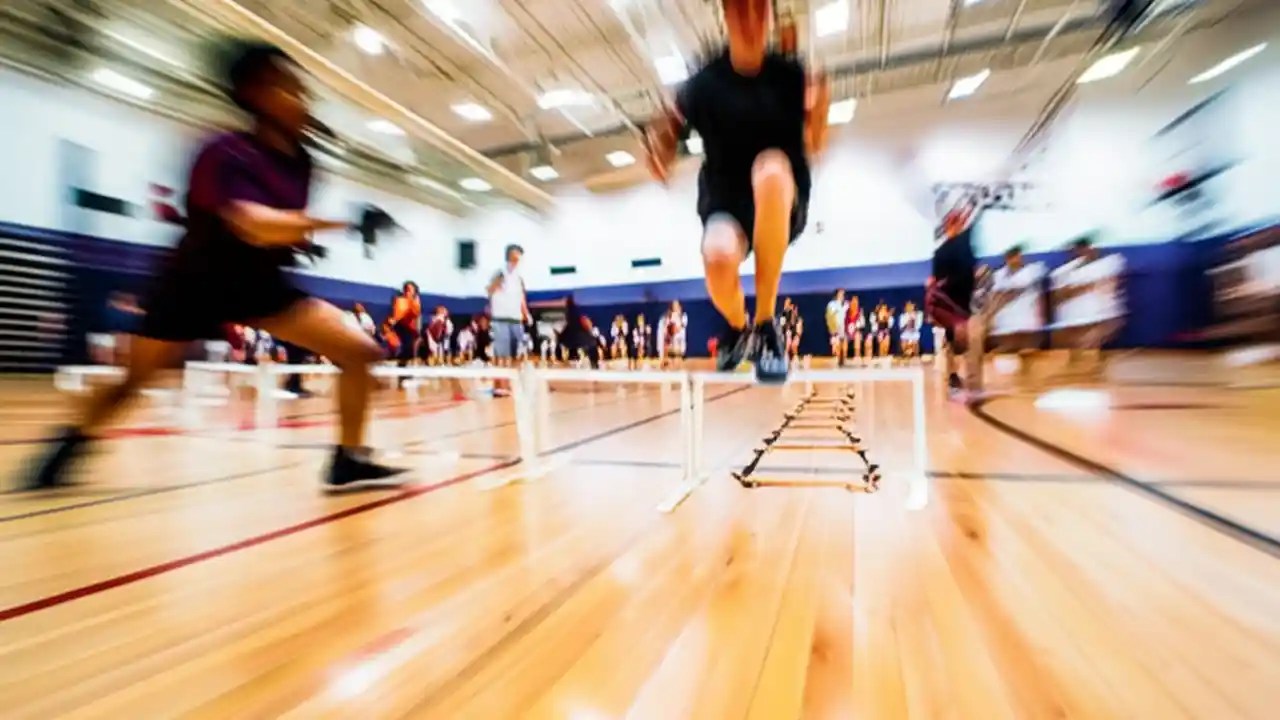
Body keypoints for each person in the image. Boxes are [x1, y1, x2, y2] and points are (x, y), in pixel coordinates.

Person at [23, 43, 402, 490]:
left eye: (302, 90)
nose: (302, 98)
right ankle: (72, 443)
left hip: (258, 285)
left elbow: (280, 227)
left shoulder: (301, 163)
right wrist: (347, 221)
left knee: (359, 352)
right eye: (288, 88)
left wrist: (301, 243)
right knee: (132, 383)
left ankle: (349, 458)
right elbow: (254, 224)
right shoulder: (222, 151)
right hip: (194, 281)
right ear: (254, 94)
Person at [643, 0, 830, 384]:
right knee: (716, 254)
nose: (750, 20)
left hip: (781, 198)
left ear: (769, 15)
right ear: (726, 14)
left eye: (758, 9)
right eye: (740, 10)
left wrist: (820, 110)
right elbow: (665, 147)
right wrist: (659, 149)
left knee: (771, 170)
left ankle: (765, 323)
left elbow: (815, 142)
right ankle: (737, 325)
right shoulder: (703, 84)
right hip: (725, 199)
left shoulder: (791, 75)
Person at [926, 202, 982, 397]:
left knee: (969, 344)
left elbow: (973, 273)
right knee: (952, 343)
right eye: (954, 222)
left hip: (966, 302)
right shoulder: (941, 253)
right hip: (951, 305)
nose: (957, 225)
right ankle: (953, 377)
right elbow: (935, 282)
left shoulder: (965, 249)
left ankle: (969, 381)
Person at [987, 245, 1047, 378]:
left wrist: (1041, 320)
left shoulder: (1031, 272)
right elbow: (994, 299)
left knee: (1029, 359)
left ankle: (1030, 383)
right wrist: (991, 320)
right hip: (1006, 326)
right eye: (1011, 257)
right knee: (1008, 363)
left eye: (1017, 256)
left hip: (1027, 324)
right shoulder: (998, 276)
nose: (1015, 260)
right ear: (1007, 259)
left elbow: (1039, 297)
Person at [487, 244, 527, 397]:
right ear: (509, 255)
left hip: (515, 319)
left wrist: (526, 315)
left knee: (515, 355)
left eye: (519, 256)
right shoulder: (500, 272)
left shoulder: (519, 277)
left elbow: (521, 298)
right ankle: (499, 386)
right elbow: (489, 290)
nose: (517, 258)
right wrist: (496, 286)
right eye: (515, 255)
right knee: (501, 354)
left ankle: (509, 384)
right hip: (501, 318)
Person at [825, 289, 847, 366]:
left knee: (843, 347)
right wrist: (832, 328)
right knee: (835, 347)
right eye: (841, 294)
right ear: (837, 294)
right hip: (835, 328)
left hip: (844, 328)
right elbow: (829, 316)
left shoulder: (845, 304)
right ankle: (836, 363)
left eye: (843, 294)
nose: (843, 295)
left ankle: (842, 362)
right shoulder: (832, 304)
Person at [845, 294, 866, 364]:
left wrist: (858, 326)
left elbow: (863, 325)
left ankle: (857, 356)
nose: (855, 303)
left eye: (856, 302)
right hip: (846, 333)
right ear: (850, 302)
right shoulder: (846, 312)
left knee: (857, 335)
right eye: (853, 301)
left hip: (857, 333)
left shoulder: (860, 312)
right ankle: (842, 359)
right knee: (842, 337)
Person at [781, 297, 802, 362]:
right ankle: (784, 360)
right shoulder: (784, 314)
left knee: (794, 346)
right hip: (786, 334)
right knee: (787, 344)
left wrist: (797, 335)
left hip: (794, 334)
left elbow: (799, 328)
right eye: (785, 304)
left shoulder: (797, 318)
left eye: (788, 304)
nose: (786, 306)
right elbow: (782, 324)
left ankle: (796, 361)